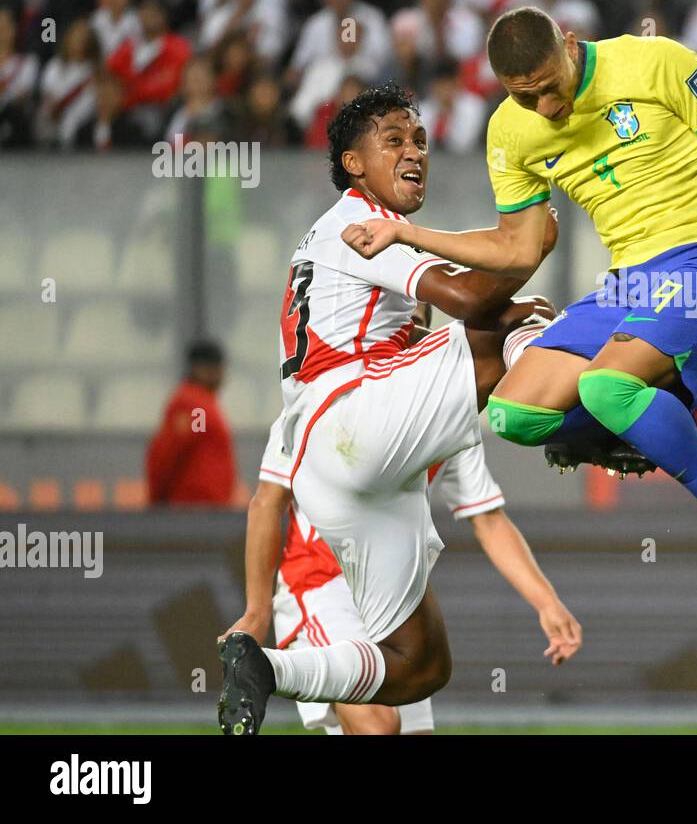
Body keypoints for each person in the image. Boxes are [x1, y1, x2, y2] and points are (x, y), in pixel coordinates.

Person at [340, 7, 697, 623]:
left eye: (549, 88)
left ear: (569, 45)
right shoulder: (512, 129)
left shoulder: (654, 61)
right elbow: (516, 249)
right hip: (631, 284)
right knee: (515, 413)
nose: (545, 109)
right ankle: (688, 403)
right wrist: (409, 236)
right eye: (523, 96)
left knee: (609, 386)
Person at [217, 83, 562, 736]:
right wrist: (531, 247)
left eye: (422, 139)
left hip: (342, 470)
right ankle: (586, 428)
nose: (416, 151)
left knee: (419, 666)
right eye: (395, 139)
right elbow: (467, 300)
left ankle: (268, 670)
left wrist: (255, 616)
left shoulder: (334, 315)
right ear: (353, 161)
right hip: (356, 417)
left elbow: (267, 500)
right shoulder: (361, 227)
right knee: (523, 316)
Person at [223, 409, 582, 735]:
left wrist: (547, 603)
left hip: (397, 593)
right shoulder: (317, 395)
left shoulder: (448, 411)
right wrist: (257, 612)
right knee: (378, 726)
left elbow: (487, 519)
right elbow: (268, 502)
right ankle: (265, 670)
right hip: (321, 586)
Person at [145, 340, 235, 506]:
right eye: (217, 368)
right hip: (193, 510)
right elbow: (169, 453)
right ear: (201, 369)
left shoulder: (201, 403)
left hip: (204, 510)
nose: (223, 375)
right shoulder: (195, 407)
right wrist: (156, 501)